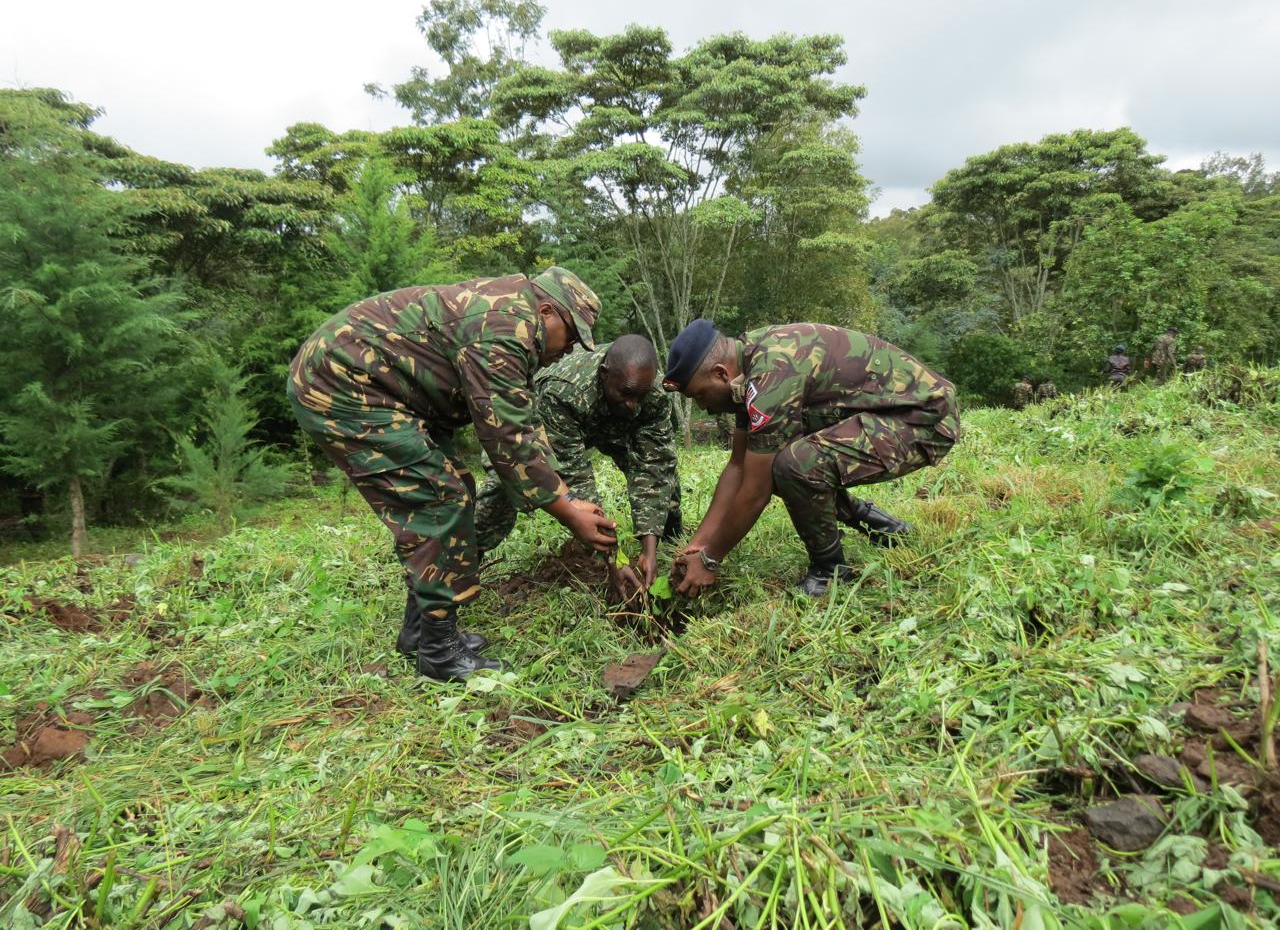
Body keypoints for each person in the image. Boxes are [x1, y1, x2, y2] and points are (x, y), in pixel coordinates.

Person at [287, 268, 619, 682]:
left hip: (383, 389)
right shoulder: (504, 326)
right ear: (547, 311)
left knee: (454, 489)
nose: (569, 349)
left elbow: (521, 420)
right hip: (342, 385)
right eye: (570, 336)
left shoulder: (512, 319)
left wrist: (565, 492)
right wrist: (567, 510)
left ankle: (420, 635)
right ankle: (440, 655)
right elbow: (506, 437)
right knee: (440, 502)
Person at [662, 319, 959, 598]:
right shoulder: (747, 366)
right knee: (779, 461)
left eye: (699, 396)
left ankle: (831, 571)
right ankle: (885, 529)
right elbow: (738, 466)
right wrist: (697, 546)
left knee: (792, 465)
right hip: (888, 415)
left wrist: (711, 559)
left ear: (720, 374)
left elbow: (755, 490)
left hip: (923, 420)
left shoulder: (772, 373)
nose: (704, 407)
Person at [473, 334, 681, 598]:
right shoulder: (563, 391)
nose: (633, 406)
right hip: (535, 425)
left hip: (610, 421)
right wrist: (613, 560)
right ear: (605, 374)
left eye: (641, 396)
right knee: (504, 488)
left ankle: (666, 548)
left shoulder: (653, 394)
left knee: (666, 484)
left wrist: (649, 547)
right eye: (627, 394)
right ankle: (461, 568)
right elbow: (577, 483)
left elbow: (655, 468)